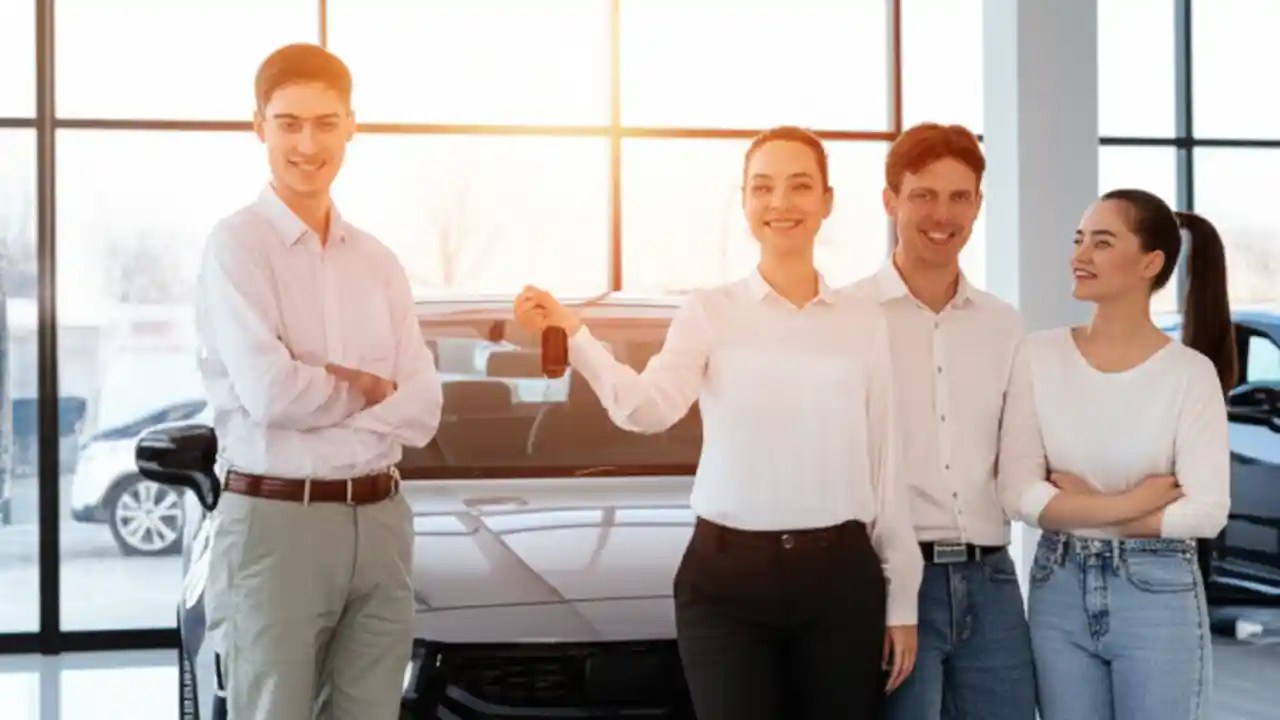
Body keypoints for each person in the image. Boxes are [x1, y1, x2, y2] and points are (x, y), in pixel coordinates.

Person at [514, 126, 922, 719]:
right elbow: (644, 409)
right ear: (745, 202)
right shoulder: (709, 312)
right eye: (763, 188)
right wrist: (576, 335)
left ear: (827, 201)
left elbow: (887, 463)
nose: (780, 203)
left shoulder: (863, 321)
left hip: (840, 581)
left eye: (799, 186)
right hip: (726, 583)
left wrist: (901, 601)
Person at [195, 43, 443, 720]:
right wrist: (367, 389)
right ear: (260, 127)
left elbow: (422, 410)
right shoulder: (237, 247)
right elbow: (271, 396)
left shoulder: (378, 262)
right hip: (280, 527)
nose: (308, 143)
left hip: (383, 525)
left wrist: (330, 389)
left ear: (351, 126)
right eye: (289, 122)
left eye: (326, 123)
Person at [1001, 189, 1232, 720]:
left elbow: (1205, 512)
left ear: (1150, 263)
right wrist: (1134, 502)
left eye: (1102, 242)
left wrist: (1078, 509)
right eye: (1079, 240)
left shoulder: (1189, 373)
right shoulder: (1037, 354)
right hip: (1057, 588)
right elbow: (1017, 493)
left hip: (1159, 593)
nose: (1080, 255)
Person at [846, 122, 1038, 719]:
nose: (942, 214)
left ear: (978, 205)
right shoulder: (847, 317)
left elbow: (1022, 453)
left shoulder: (1004, 324)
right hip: (890, 584)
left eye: (960, 197)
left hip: (993, 578)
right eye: (923, 195)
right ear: (890, 201)